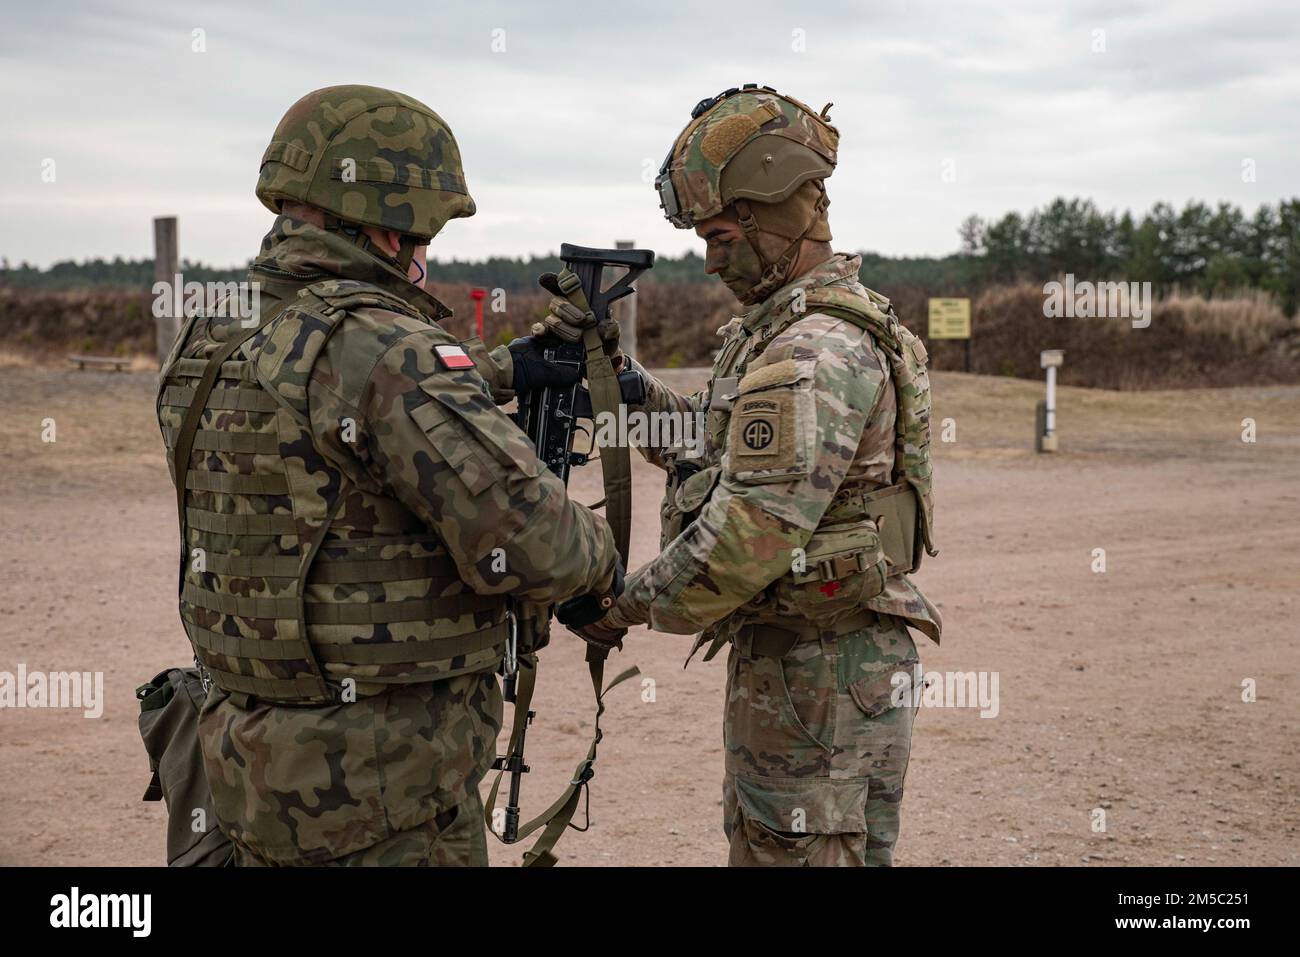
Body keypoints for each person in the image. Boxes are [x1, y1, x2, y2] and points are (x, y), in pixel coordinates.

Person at [155, 84, 620, 866]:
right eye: (420, 232)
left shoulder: (208, 340)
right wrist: (604, 557)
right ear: (380, 220)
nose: (423, 255)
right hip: (379, 793)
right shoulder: (387, 349)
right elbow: (540, 543)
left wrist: (496, 373)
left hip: (242, 762)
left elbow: (327, 421)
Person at [549, 84, 942, 866]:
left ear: (780, 216)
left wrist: (617, 606)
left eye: (724, 234)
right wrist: (627, 387)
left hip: (819, 671)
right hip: (807, 664)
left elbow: (747, 535)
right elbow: (712, 444)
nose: (711, 258)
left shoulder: (813, 351)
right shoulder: (786, 331)